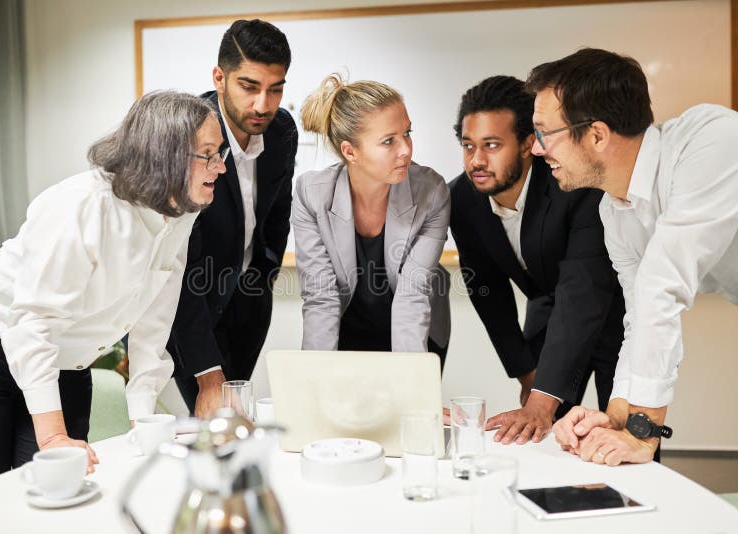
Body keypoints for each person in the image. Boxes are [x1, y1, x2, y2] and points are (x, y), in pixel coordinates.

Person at [0, 91, 225, 495]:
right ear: (168, 155)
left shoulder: (181, 212)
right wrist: (54, 438)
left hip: (65, 359)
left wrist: (144, 425)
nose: (220, 168)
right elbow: (32, 323)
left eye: (220, 154)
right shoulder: (82, 205)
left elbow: (154, 319)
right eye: (209, 154)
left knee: (64, 492)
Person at [526, 48, 738, 465]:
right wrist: (617, 418)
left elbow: (662, 287)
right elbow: (640, 315)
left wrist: (646, 434)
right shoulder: (615, 211)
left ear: (597, 135)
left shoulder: (711, 139)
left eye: (544, 133)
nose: (536, 149)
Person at [448, 76, 624, 445]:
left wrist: (545, 396)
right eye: (468, 146)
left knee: (621, 437)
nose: (476, 160)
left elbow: (583, 287)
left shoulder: (573, 183)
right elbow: (488, 293)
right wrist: (528, 375)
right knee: (541, 434)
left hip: (616, 316)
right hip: (548, 312)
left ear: (529, 143)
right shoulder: (462, 198)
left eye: (492, 145)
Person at [166, 19, 298, 418]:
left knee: (235, 420)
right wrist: (207, 373)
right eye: (250, 86)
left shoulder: (282, 131)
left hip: (248, 303)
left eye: (275, 89)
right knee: (214, 416)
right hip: (190, 303)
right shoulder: (186, 137)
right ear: (219, 78)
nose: (263, 105)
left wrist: (262, 279)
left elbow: (277, 216)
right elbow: (177, 264)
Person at [292, 74, 450, 363]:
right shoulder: (311, 195)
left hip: (415, 334)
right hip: (344, 334)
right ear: (350, 151)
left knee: (410, 406)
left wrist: (411, 384)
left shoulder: (432, 192)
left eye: (407, 133)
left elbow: (412, 297)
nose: (406, 149)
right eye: (389, 141)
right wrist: (314, 383)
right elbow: (321, 298)